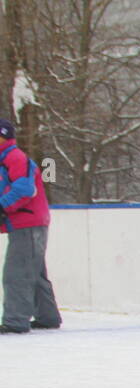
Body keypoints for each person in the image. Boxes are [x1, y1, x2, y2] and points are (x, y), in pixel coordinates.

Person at [0, 118, 61, 334]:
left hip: (28, 222)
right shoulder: (6, 159)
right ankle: (47, 317)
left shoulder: (14, 157)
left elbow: (25, 190)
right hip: (29, 221)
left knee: (17, 272)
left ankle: (15, 321)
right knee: (33, 271)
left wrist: (2, 207)